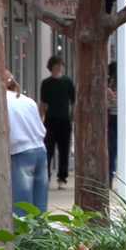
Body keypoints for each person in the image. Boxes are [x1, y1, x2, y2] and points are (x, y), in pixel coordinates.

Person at [7, 72, 49, 215]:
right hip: (40, 149)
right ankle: (41, 235)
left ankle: (24, 236)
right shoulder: (28, 100)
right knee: (40, 204)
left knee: (22, 206)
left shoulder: (1, 102)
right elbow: (40, 126)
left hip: (19, 152)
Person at [39, 55, 76, 190]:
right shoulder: (46, 83)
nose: (59, 67)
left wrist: (73, 116)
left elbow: (73, 101)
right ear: (51, 67)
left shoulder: (67, 82)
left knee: (64, 150)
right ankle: (46, 176)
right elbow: (43, 103)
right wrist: (40, 119)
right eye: (57, 65)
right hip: (50, 120)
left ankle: (62, 177)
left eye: (61, 65)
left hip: (65, 120)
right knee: (48, 150)